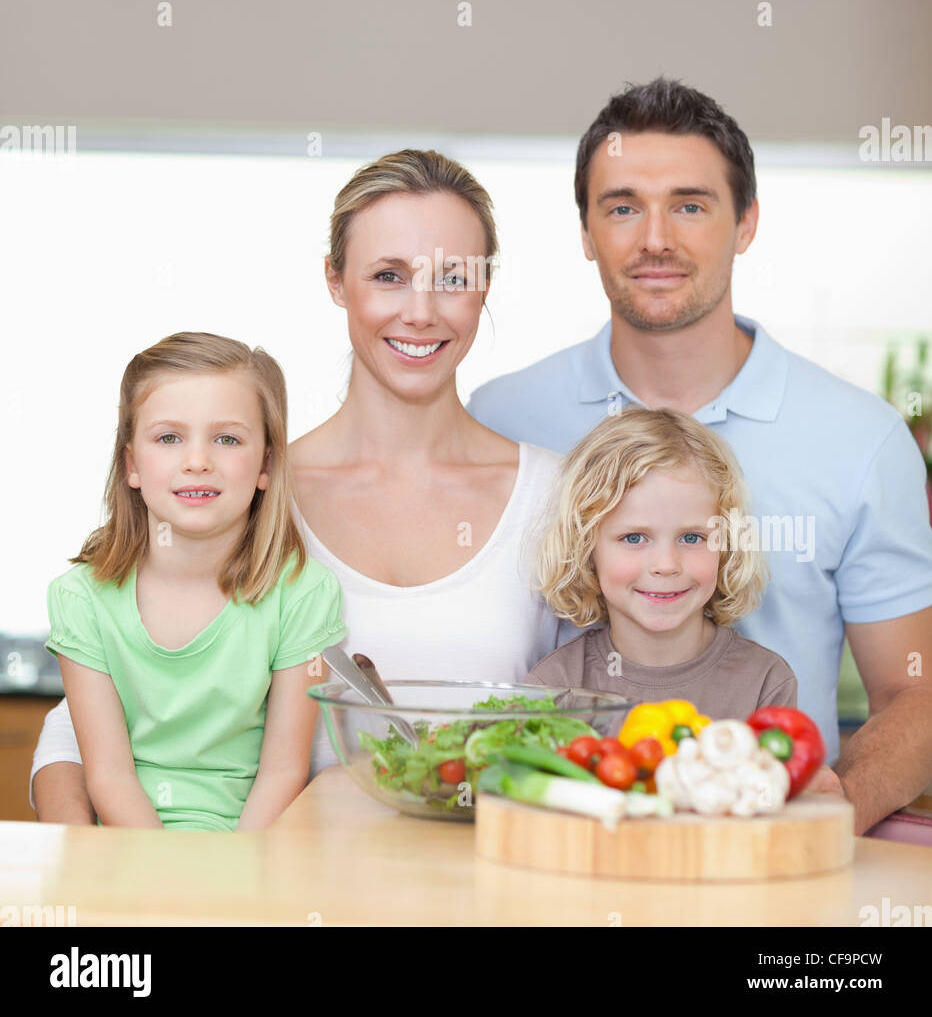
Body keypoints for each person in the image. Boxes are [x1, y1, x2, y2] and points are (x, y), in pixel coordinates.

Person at [31, 151, 571, 819]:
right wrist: (98, 868)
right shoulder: (238, 489)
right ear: (336, 281)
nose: (421, 311)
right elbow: (107, 705)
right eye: (388, 276)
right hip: (279, 894)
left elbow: (589, 713)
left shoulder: (556, 496)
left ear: (486, 285)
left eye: (452, 277)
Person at [468, 78, 932, 835]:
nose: (655, 238)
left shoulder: (863, 439)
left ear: (745, 222)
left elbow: (915, 694)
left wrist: (829, 810)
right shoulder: (501, 417)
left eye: (690, 204)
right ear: (586, 232)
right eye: (622, 207)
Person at [43, 332, 347, 830]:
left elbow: (283, 771)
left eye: (227, 438)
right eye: (169, 438)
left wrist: (234, 880)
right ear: (132, 465)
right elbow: (109, 777)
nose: (197, 460)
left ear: (266, 465)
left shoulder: (304, 595)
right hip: (130, 855)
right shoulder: (80, 598)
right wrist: (167, 883)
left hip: (253, 854)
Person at [525, 407, 797, 719]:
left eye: (692, 538)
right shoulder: (553, 690)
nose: (666, 565)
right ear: (585, 547)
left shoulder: (766, 682)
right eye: (634, 538)